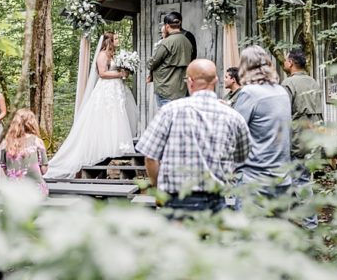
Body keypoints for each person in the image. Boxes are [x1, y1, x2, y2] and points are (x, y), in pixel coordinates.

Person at [136, 59, 251, 215]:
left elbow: (150, 157)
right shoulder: (234, 117)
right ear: (216, 81)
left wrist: (158, 189)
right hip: (217, 202)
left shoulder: (170, 111)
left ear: (190, 81)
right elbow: (242, 159)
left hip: (176, 200)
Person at [46, 32, 136, 178]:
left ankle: (112, 148)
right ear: (109, 41)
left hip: (115, 91)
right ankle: (100, 156)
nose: (118, 40)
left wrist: (126, 70)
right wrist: (120, 75)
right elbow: (102, 74)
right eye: (116, 38)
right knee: (106, 118)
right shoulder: (102, 55)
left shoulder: (114, 55)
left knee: (115, 118)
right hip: (106, 91)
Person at [234, 46, 293, 205]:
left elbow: (234, 133)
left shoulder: (249, 93)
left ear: (245, 67)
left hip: (256, 181)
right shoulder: (281, 92)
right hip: (282, 178)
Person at [282, 48, 323, 229]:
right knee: (300, 179)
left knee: (299, 181)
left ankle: (310, 225)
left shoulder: (289, 83)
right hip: (313, 137)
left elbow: (283, 113)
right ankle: (292, 220)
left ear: (291, 63)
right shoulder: (313, 82)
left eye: (285, 60)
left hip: (296, 138)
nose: (284, 63)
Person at [146, 13, 193, 109]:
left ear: (167, 26)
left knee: (167, 121)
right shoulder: (187, 41)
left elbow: (152, 64)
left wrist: (149, 60)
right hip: (181, 90)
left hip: (166, 89)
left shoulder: (167, 42)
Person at [1, 110, 49, 195]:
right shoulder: (37, 141)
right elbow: (44, 170)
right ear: (32, 123)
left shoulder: (6, 142)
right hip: (35, 191)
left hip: (12, 192)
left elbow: (5, 169)